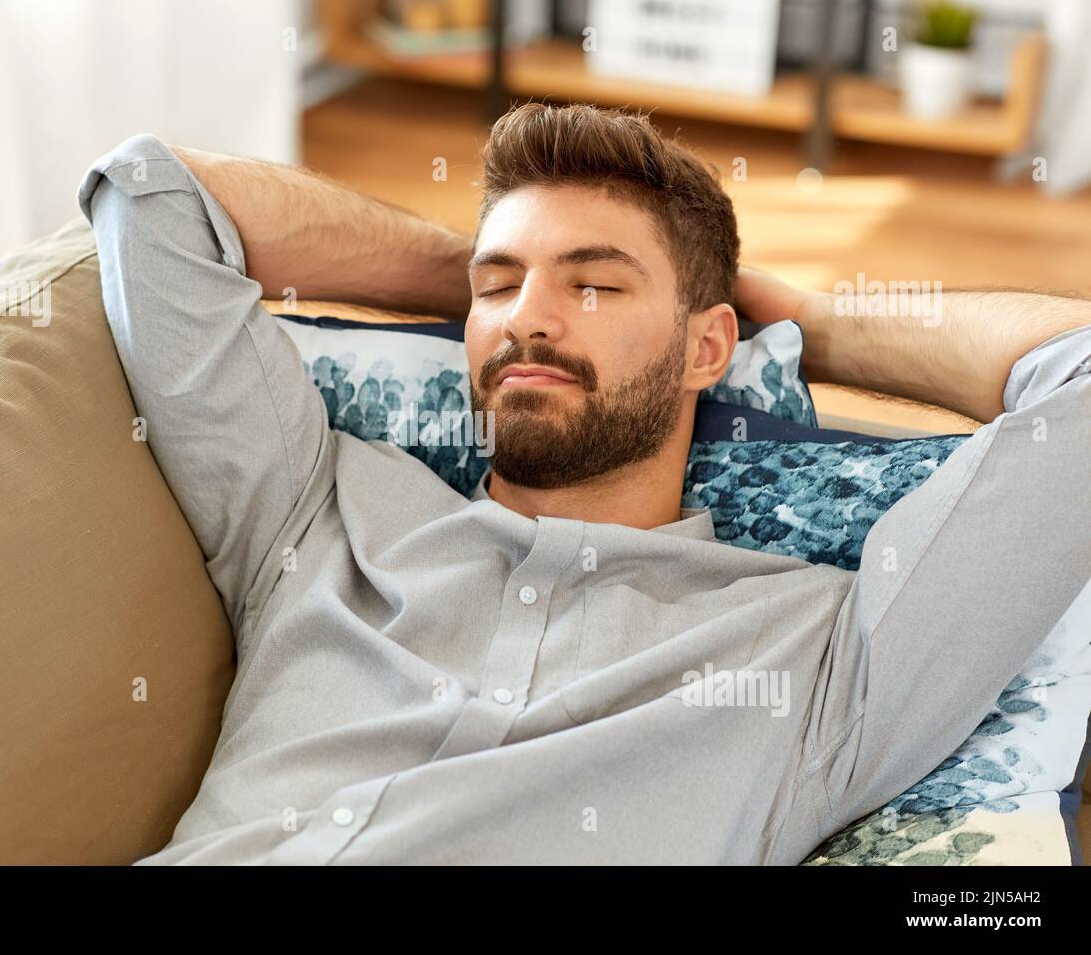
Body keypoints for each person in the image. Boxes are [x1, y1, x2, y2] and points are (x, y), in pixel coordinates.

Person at [76, 102, 1090, 864]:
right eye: (500, 283)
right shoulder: (317, 502)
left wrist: (801, 321)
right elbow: (152, 198)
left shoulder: (817, 658)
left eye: (595, 283)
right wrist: (477, 280)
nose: (528, 317)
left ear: (707, 347)